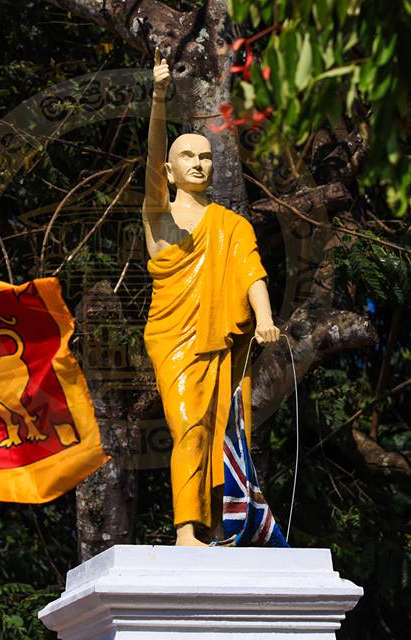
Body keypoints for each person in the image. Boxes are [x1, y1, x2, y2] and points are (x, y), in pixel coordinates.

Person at [142, 48, 280, 546]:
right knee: (188, 426)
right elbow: (150, 167)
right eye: (187, 157)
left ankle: (221, 528)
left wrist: (264, 318)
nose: (198, 164)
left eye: (205, 157)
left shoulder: (232, 225)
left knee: (224, 429)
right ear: (170, 168)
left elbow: (252, 273)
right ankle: (185, 531)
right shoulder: (160, 217)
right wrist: (159, 98)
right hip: (172, 337)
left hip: (224, 338)